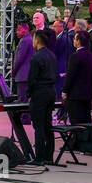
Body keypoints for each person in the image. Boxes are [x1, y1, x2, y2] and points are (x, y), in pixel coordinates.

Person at [28, 28, 59, 164]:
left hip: (40, 92)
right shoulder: (52, 55)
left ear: (37, 40)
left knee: (38, 126)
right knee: (48, 125)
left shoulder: (36, 57)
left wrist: (29, 94)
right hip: (51, 91)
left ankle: (39, 157)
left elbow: (32, 79)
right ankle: (48, 156)